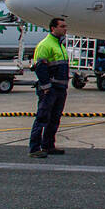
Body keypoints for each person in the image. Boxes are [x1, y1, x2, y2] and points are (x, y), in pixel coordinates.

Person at [29, 18, 70, 158]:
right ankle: (34, 148)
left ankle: (48, 145)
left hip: (60, 88)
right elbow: (40, 67)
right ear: (53, 28)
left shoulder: (60, 45)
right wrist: (46, 87)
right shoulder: (45, 45)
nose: (65, 29)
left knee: (54, 118)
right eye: (62, 26)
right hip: (50, 89)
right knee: (42, 118)